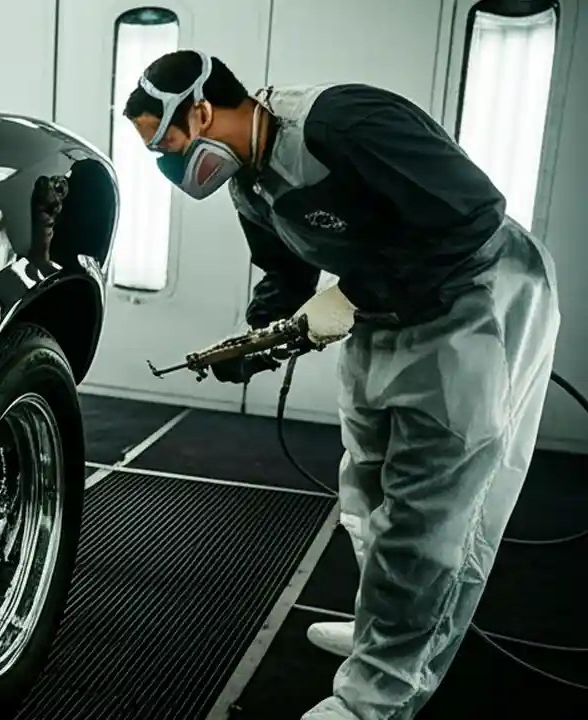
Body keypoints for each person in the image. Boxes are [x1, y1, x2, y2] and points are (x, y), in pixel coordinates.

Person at [122, 50, 561, 718]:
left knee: (428, 510)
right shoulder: (247, 183)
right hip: (383, 309)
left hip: (471, 301)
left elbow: (470, 216)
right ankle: (383, 627)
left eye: (166, 145)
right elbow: (286, 273)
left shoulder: (343, 122)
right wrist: (256, 341)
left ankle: (377, 695)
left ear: (202, 111)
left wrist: (352, 295)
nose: (169, 165)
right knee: (368, 487)